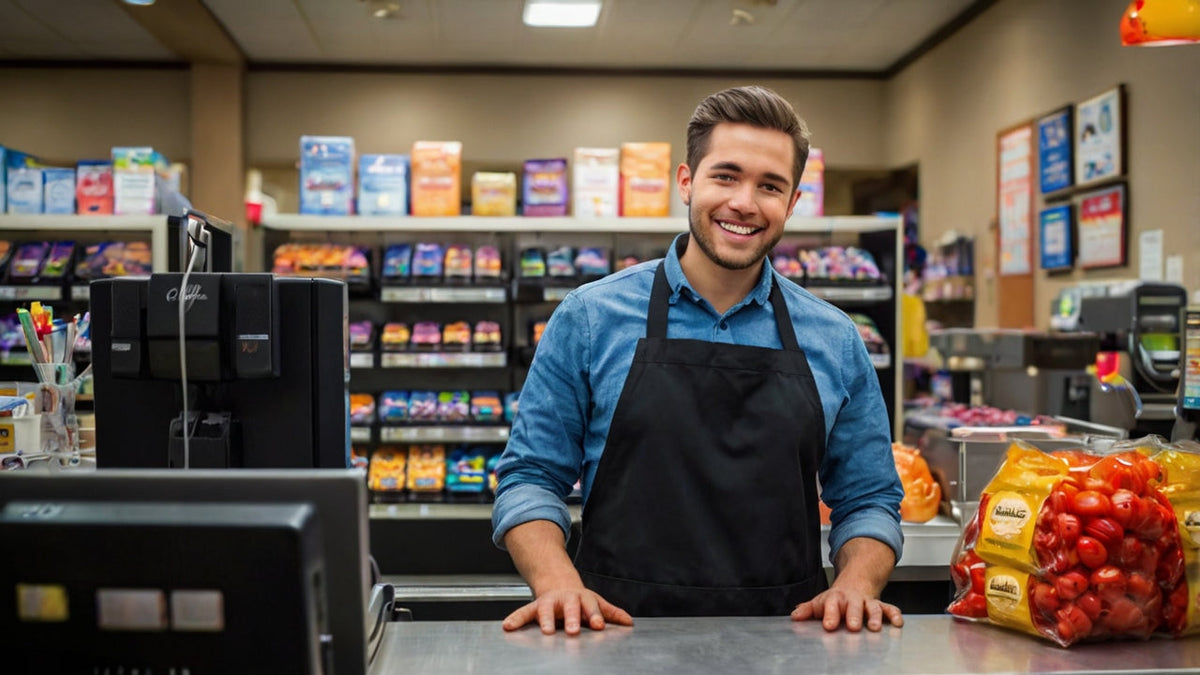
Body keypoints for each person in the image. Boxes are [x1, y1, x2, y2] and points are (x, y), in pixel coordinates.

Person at [491, 85, 905, 635]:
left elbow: (870, 497)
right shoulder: (590, 317)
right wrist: (556, 583)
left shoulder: (834, 337)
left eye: (770, 186)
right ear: (687, 182)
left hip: (788, 642)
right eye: (726, 176)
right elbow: (530, 476)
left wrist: (857, 584)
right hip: (612, 635)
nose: (744, 203)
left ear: (793, 203)